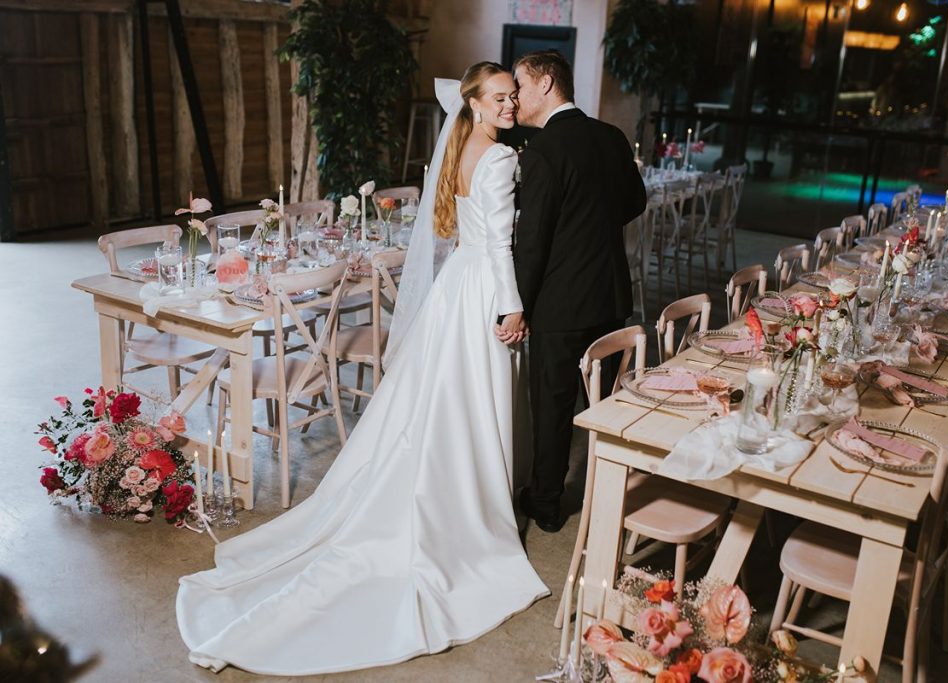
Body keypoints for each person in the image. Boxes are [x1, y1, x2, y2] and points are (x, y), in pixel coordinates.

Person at [176, 63, 548, 675]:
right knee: (471, 399)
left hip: (458, 286)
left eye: (513, 97)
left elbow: (470, 236)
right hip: (484, 289)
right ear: (477, 104)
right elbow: (501, 245)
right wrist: (512, 307)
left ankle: (451, 488)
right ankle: (466, 510)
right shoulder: (502, 158)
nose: (510, 105)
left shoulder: (462, 148)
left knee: (447, 399)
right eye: (501, 97)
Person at [512, 50, 648, 533]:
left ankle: (547, 503)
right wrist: (592, 228)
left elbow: (533, 241)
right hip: (609, 296)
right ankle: (610, 495)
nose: (515, 97)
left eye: (520, 85)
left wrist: (518, 305)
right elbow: (636, 200)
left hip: (560, 303)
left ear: (547, 83)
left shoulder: (544, 149)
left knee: (552, 405)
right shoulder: (611, 136)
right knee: (606, 403)